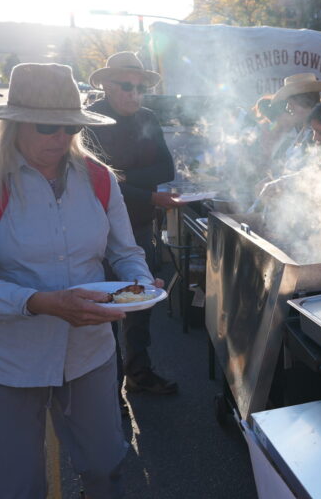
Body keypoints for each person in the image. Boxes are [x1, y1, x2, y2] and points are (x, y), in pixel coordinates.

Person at [0, 62, 157, 498]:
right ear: (16, 123)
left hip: (88, 352)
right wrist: (41, 302)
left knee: (105, 465)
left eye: (70, 128)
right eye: (47, 127)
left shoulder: (98, 177)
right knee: (17, 484)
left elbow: (125, 250)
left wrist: (139, 286)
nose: (60, 140)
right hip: (7, 360)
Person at [86, 51, 180, 396]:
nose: (135, 94)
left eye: (140, 87)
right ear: (108, 85)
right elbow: (91, 180)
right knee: (104, 309)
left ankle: (138, 372)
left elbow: (166, 170)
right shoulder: (90, 120)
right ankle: (108, 390)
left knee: (140, 303)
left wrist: (121, 178)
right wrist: (142, 192)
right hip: (96, 230)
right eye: (127, 86)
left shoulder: (148, 118)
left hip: (140, 226)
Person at [269, 73, 321, 176]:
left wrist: (281, 183)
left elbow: (318, 170)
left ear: (305, 102)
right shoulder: (300, 131)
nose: (288, 108)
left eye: (291, 103)